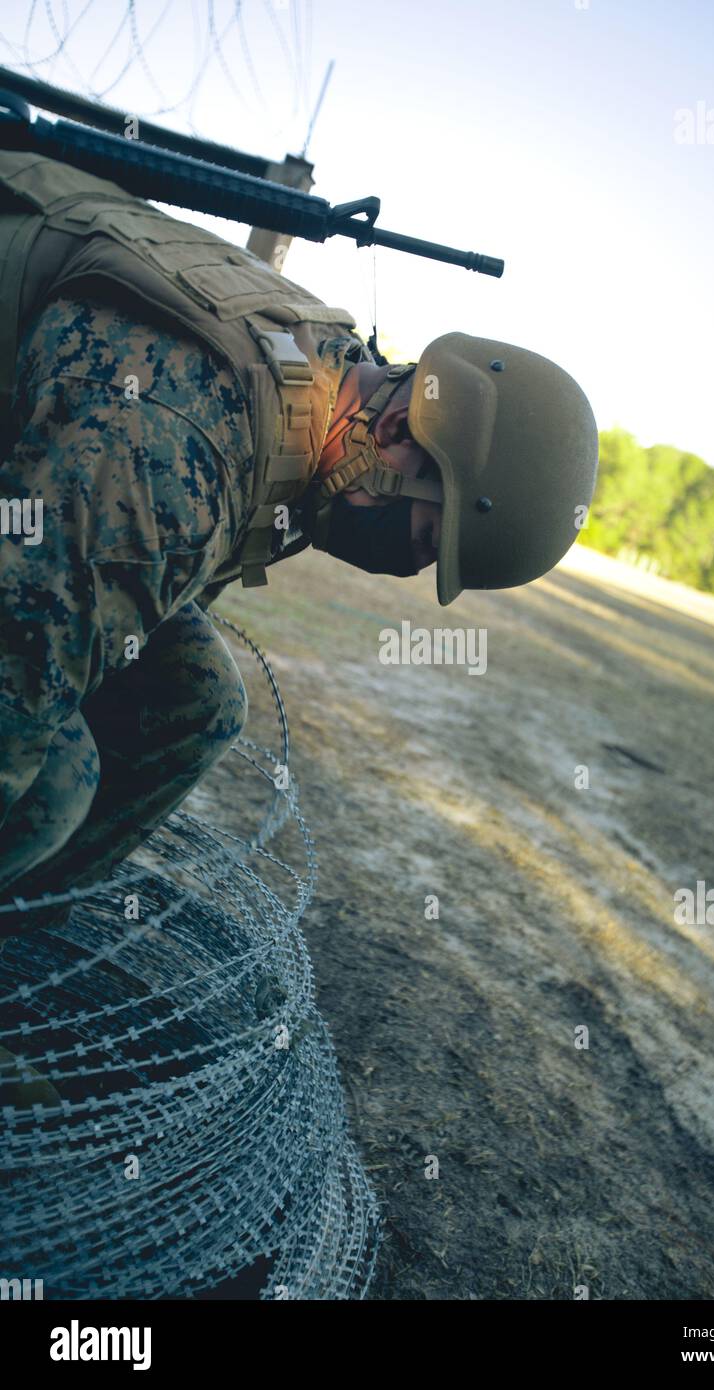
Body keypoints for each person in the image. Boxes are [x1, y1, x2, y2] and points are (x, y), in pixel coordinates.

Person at [0, 150, 597, 921]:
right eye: (420, 539)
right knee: (53, 781)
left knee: (196, 700)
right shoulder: (174, 461)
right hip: (61, 486)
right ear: (394, 431)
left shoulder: (317, 385)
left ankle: (21, 943)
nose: (404, 568)